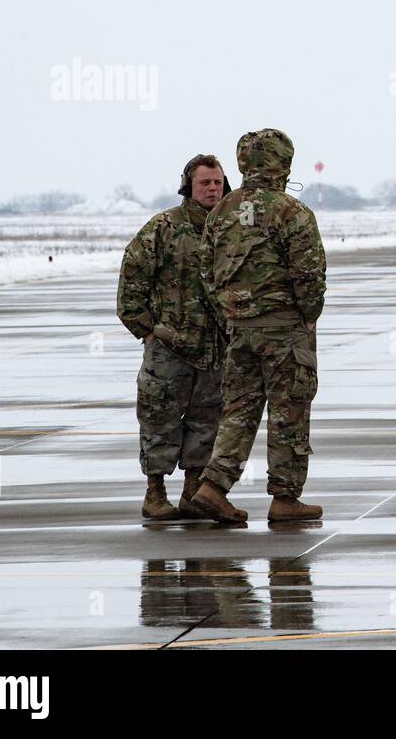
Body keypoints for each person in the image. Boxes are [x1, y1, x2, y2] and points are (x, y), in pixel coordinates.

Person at [191, 129, 327, 524]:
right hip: (285, 330)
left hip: (241, 329)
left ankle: (213, 487)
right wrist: (307, 314)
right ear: (282, 162)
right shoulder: (292, 211)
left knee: (238, 411)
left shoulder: (221, 213)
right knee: (289, 413)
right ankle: (286, 497)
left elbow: (208, 273)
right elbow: (309, 275)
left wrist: (232, 312)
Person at [117, 154, 229, 520]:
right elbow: (132, 278)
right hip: (168, 346)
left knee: (207, 419)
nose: (213, 189)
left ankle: (194, 492)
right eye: (205, 183)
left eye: (217, 182)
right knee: (159, 418)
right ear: (188, 186)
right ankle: (155, 493)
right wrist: (147, 329)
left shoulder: (232, 228)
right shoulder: (164, 228)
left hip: (215, 347)